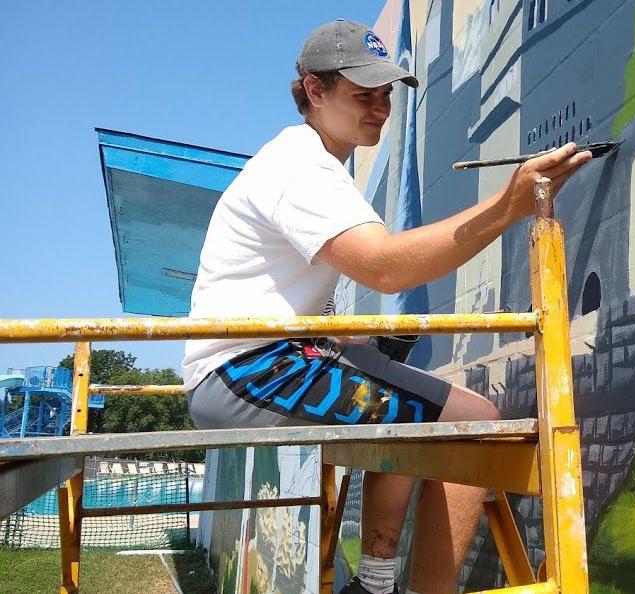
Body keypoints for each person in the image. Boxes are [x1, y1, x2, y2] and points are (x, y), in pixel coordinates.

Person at [180, 19, 591, 594]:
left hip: (264, 362)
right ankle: (394, 587)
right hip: (249, 371)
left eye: (386, 95)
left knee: (411, 397)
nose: (379, 109)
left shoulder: (319, 161)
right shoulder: (301, 166)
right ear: (314, 90)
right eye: (362, 95)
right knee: (476, 422)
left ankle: (375, 581)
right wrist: (508, 205)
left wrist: (342, 340)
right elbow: (386, 266)